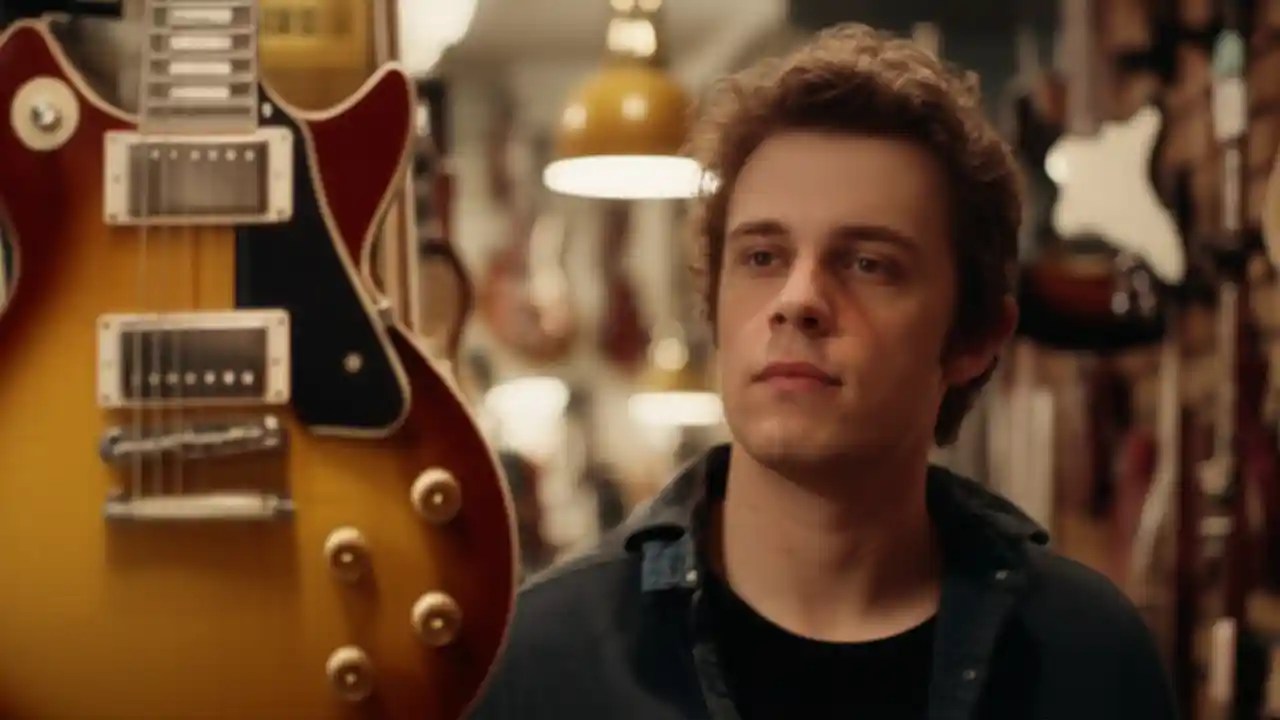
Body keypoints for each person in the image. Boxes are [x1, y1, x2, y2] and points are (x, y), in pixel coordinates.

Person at [468, 22, 1177, 720]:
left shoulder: (1086, 659)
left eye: (868, 263)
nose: (797, 299)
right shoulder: (546, 660)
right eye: (762, 257)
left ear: (974, 338)